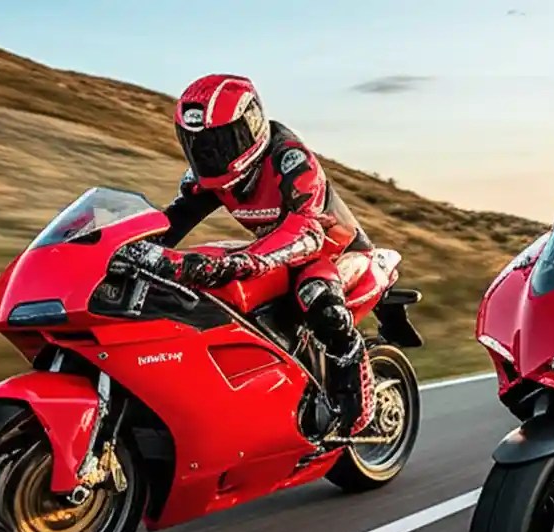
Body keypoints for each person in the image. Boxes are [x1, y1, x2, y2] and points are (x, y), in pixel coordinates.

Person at [112, 74, 377, 436]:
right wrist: (129, 248)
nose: (211, 154)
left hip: (332, 251)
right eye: (200, 145)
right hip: (276, 253)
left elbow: (308, 228)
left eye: (221, 142)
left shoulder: (291, 160)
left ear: (252, 126)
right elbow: (175, 219)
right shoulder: (211, 177)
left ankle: (355, 404)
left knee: (318, 298)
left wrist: (243, 261)